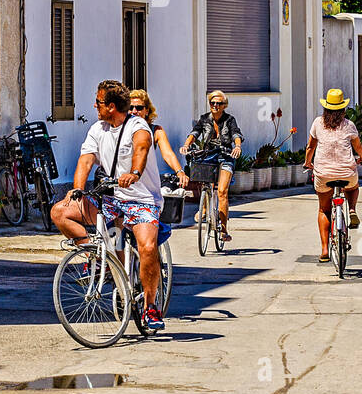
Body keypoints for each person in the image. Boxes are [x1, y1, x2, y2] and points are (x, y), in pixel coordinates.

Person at [52, 80, 167, 331]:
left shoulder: (138, 126)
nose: (95, 105)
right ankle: (96, 255)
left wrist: (135, 173)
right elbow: (86, 160)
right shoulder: (97, 129)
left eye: (99, 102)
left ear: (112, 106)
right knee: (60, 212)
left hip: (141, 199)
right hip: (110, 198)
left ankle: (150, 306)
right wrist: (77, 188)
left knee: (147, 247)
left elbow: (142, 148)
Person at [303, 88, 362, 262]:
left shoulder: (318, 123)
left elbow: (310, 147)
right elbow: (358, 147)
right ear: (343, 109)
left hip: (323, 174)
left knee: (324, 209)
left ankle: (325, 250)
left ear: (326, 108)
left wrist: (308, 163)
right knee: (353, 187)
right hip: (346, 172)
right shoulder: (349, 125)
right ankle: (352, 209)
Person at [181, 90, 244, 241]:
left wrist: (237, 147)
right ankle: (203, 207)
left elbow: (236, 134)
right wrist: (186, 145)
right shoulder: (204, 119)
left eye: (219, 103)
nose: (215, 105)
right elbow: (194, 133)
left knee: (222, 191)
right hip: (209, 154)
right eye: (212, 103)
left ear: (224, 105)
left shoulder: (230, 120)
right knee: (204, 182)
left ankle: (223, 230)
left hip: (226, 156)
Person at [128, 88, 189, 190]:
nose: (134, 111)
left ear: (147, 110)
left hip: (146, 184)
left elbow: (168, 154)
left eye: (139, 108)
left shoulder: (156, 131)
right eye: (130, 107)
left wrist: (180, 172)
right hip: (124, 182)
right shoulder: (121, 129)